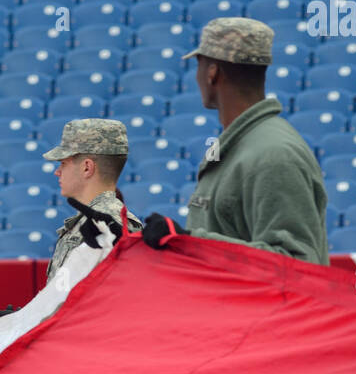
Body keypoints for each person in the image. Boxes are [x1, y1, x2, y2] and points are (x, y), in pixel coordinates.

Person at [141, 17, 330, 265]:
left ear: (212, 73)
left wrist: (191, 242)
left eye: (199, 65)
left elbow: (298, 263)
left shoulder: (273, 155)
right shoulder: (246, 143)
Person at [44, 118, 143, 284]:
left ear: (87, 167)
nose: (57, 172)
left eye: (63, 163)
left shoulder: (109, 227)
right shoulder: (95, 221)